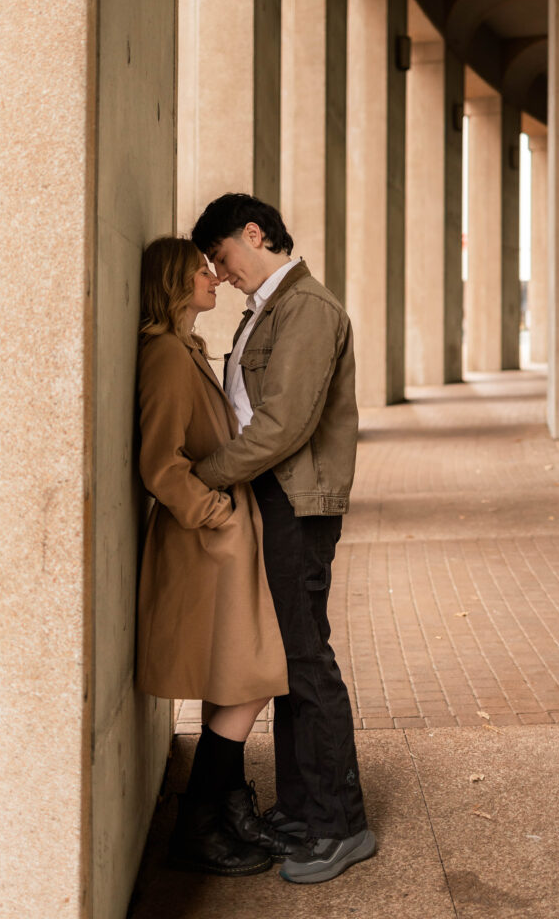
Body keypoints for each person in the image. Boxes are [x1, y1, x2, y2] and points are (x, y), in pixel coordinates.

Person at [191, 194, 376, 885]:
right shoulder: (269, 307)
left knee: (305, 661)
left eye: (222, 254)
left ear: (255, 231)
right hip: (272, 496)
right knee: (286, 662)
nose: (220, 269)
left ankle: (341, 825)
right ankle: (301, 812)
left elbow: (282, 426)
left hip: (294, 501)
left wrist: (202, 476)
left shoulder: (306, 309)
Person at [135, 236, 308, 876]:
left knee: (235, 676)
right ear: (176, 283)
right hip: (206, 541)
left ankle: (224, 811)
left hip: (219, 540)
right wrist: (219, 516)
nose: (213, 277)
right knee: (256, 672)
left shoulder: (185, 349)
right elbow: (159, 463)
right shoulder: (165, 356)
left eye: (214, 266)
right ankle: (199, 822)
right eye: (201, 270)